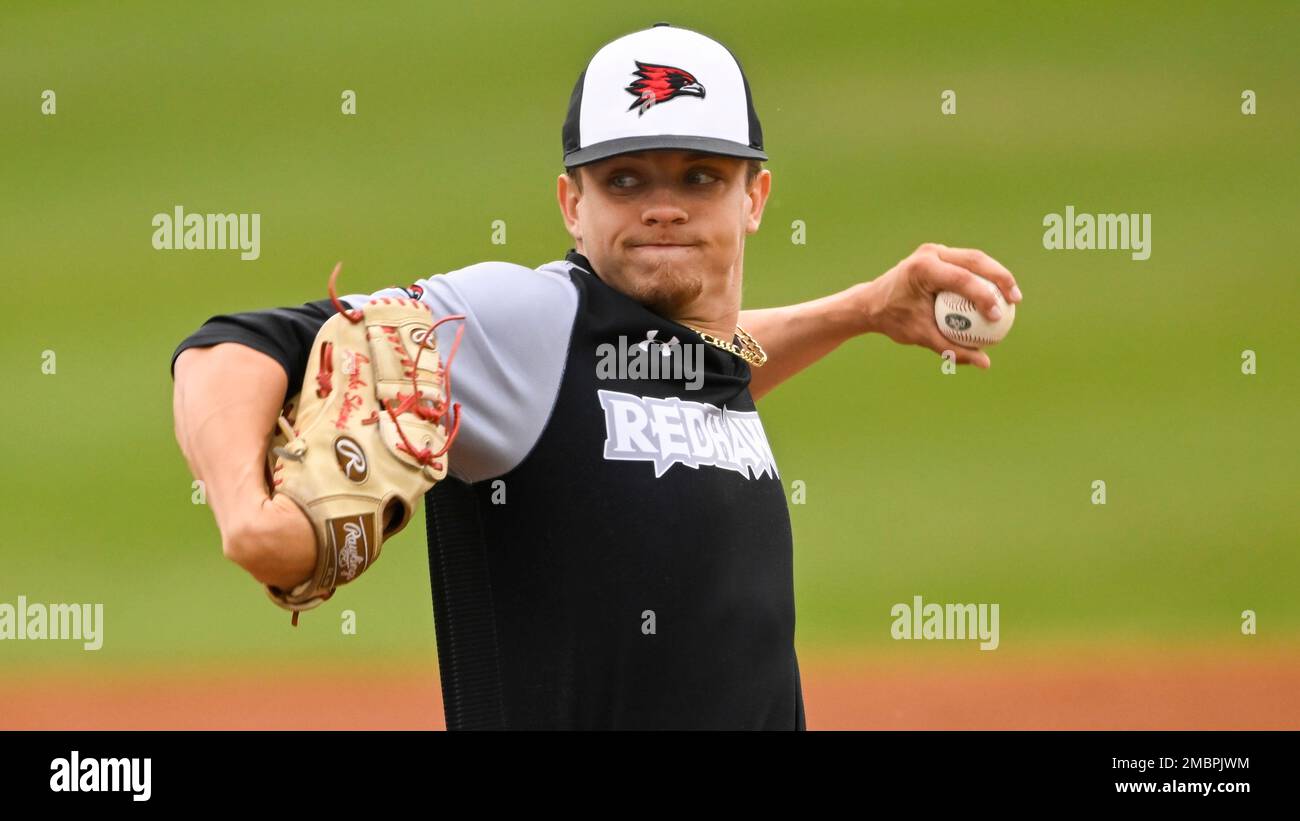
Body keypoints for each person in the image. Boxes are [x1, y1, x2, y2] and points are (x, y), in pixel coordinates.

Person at [170, 22, 1022, 730]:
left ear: (754, 198)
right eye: (625, 179)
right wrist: (247, 514)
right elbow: (229, 345)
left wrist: (861, 309)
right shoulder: (524, 323)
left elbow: (682, 371)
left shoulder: (681, 355)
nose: (664, 205)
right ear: (572, 204)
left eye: (700, 175)